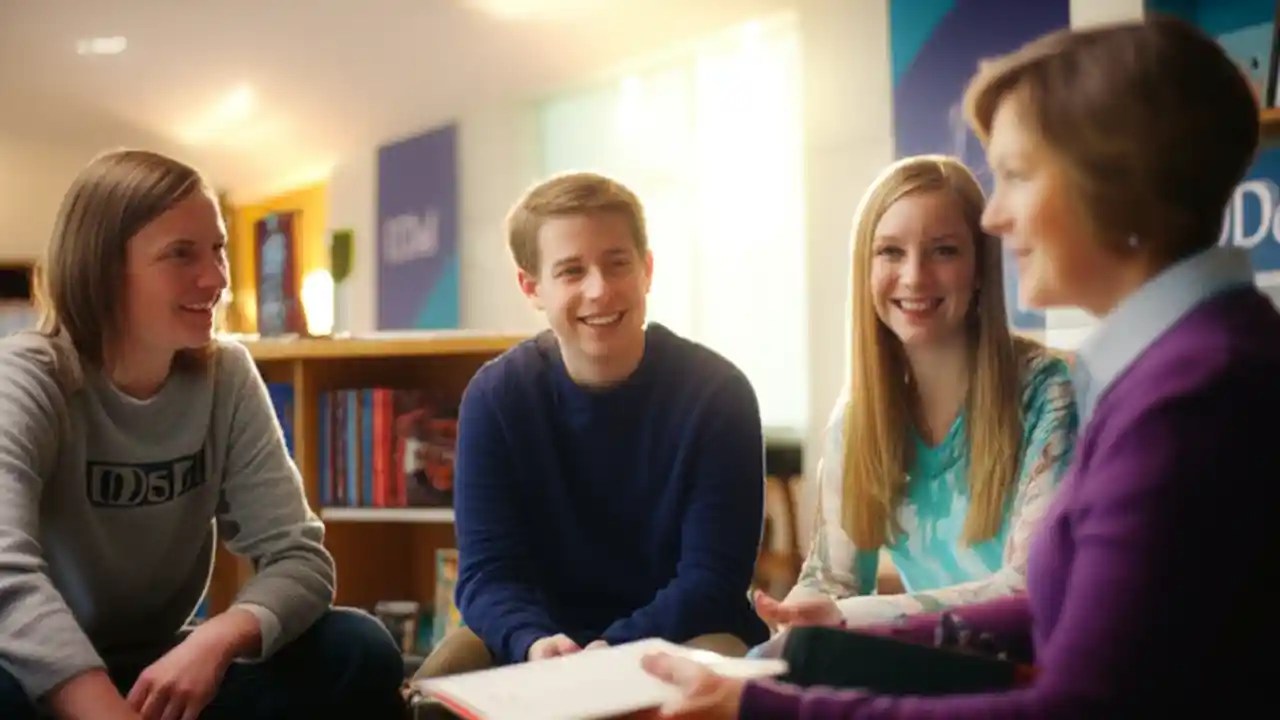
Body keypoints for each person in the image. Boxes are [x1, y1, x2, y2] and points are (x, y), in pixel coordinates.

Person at [642, 14, 1279, 717]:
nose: (996, 219)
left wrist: (769, 710)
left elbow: (1079, 705)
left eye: (1015, 176)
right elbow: (1058, 612)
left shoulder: (1192, 398)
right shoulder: (1176, 369)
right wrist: (837, 632)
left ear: (1117, 177)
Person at [0, 149, 406, 720]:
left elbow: (299, 558)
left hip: (156, 666)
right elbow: (5, 573)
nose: (215, 278)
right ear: (101, 268)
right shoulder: (26, 376)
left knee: (358, 648)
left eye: (217, 250)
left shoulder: (226, 375)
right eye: (179, 254)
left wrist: (215, 642)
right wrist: (98, 707)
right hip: (33, 671)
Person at [414, 171, 769, 678]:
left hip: (682, 634)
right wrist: (533, 642)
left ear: (647, 270)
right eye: (572, 271)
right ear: (532, 287)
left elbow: (712, 580)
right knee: (441, 676)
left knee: (719, 665)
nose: (599, 290)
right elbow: (488, 575)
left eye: (617, 263)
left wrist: (610, 649)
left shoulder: (718, 393)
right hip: (543, 641)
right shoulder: (496, 398)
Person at [750, 155, 1077, 658]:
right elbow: (830, 579)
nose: (914, 276)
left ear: (980, 269)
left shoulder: (1046, 393)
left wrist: (847, 616)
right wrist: (796, 617)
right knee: (766, 663)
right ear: (866, 270)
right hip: (922, 659)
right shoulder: (859, 417)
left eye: (943, 251)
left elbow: (1028, 590)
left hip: (1027, 666)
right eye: (890, 252)